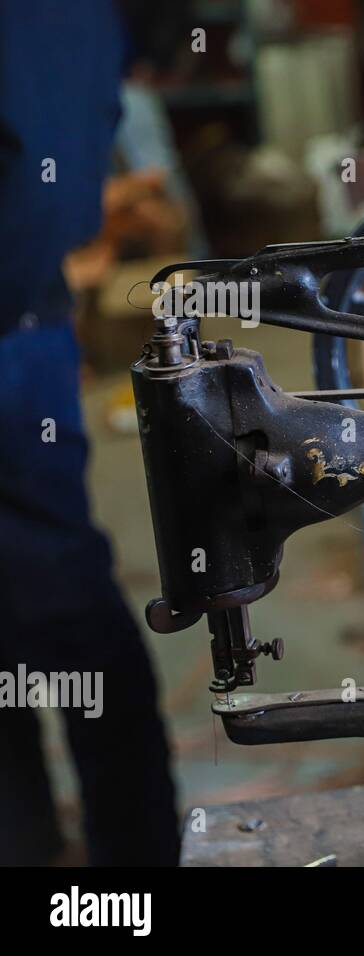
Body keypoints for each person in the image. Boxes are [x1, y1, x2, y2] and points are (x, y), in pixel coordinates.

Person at [0, 0, 179, 865]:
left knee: (63, 598)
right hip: (24, 320)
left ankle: (121, 866)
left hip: (15, 325)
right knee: (57, 598)